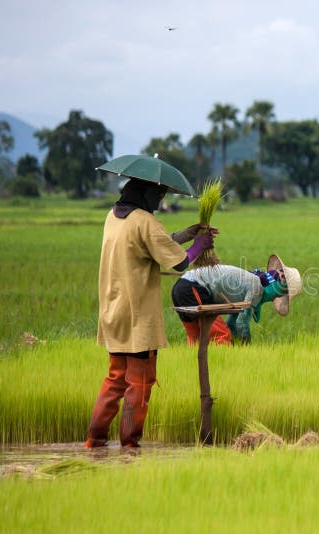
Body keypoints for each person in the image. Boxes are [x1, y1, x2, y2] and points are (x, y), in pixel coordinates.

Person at [84, 178, 217, 449]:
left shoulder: (114, 217)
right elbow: (179, 261)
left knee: (115, 380)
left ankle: (94, 442)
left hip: (113, 313)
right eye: (159, 195)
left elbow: (151, 245)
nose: (160, 202)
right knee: (140, 382)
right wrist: (200, 245)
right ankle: (130, 447)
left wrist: (187, 234)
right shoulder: (146, 221)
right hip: (137, 318)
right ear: (145, 194)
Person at [171, 254, 302, 345]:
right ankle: (221, 372)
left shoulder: (249, 280)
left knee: (196, 337)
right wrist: (246, 346)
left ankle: (197, 368)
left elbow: (233, 321)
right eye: (279, 294)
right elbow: (242, 322)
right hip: (193, 288)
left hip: (181, 287)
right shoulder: (256, 287)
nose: (275, 298)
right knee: (221, 335)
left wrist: (235, 342)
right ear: (275, 286)